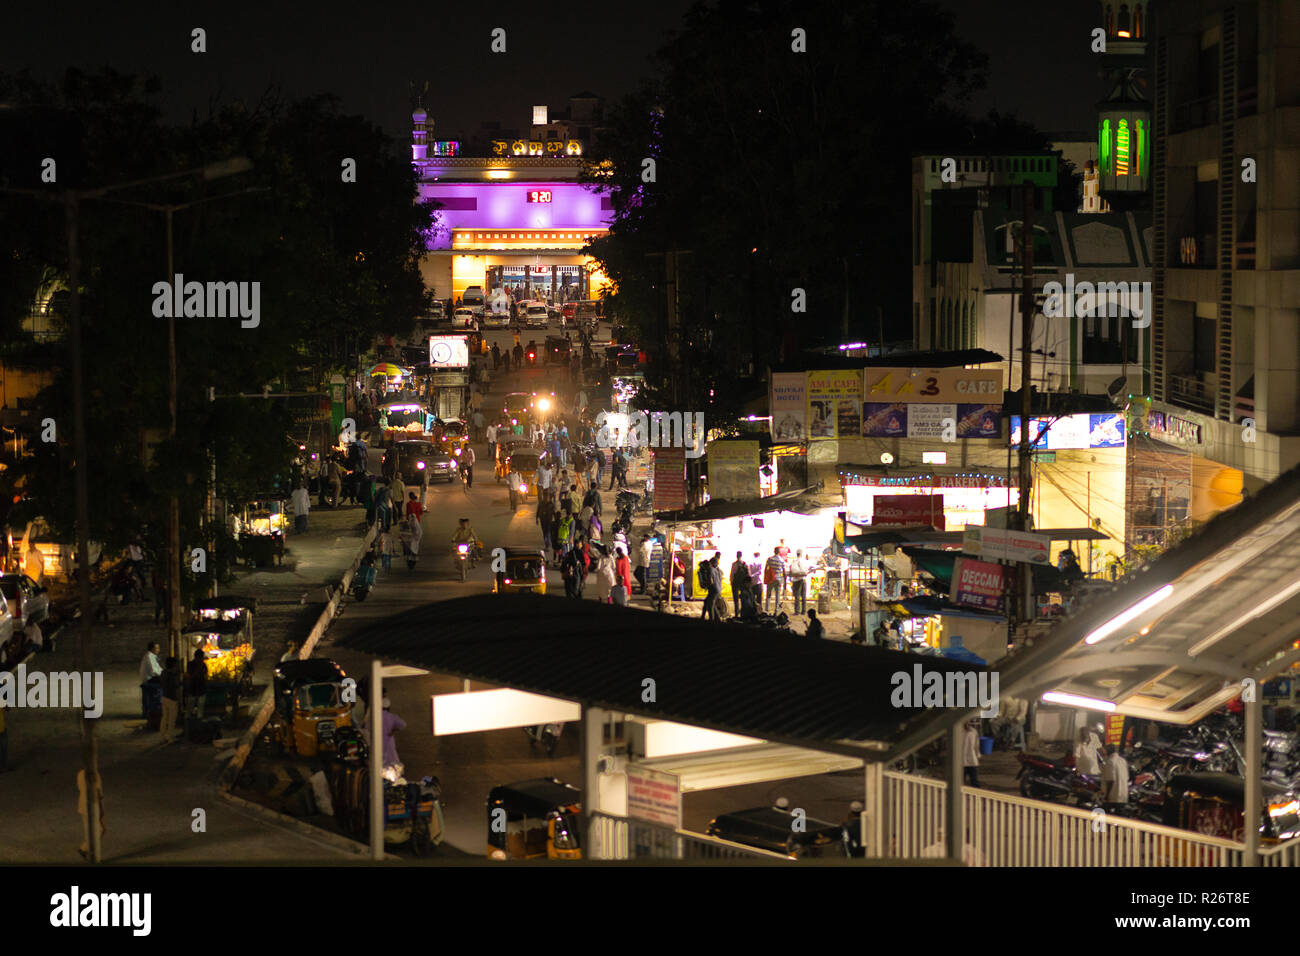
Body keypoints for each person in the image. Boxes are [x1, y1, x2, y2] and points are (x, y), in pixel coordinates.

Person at [138, 642, 163, 721]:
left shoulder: (151, 656)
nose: (159, 650)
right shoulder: (149, 657)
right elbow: (154, 671)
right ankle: (155, 710)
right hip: (149, 679)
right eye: (157, 648)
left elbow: (158, 669)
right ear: (152, 649)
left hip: (150, 678)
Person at [159, 656, 182, 742]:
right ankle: (170, 736)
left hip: (164, 697)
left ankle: (163, 734)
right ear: (173, 666)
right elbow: (176, 685)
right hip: (172, 698)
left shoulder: (163, 673)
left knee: (165, 717)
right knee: (172, 719)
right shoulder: (171, 675)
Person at [381, 697, 406, 769]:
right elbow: (403, 724)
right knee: (391, 760)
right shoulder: (392, 717)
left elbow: (366, 727)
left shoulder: (375, 716)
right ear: (389, 707)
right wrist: (394, 729)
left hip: (378, 742)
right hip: (389, 742)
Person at [186, 649, 208, 717]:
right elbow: (191, 676)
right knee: (190, 707)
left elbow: (205, 674)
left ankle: (199, 721)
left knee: (200, 707)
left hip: (201, 688)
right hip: (193, 688)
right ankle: (188, 721)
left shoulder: (203, 665)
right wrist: (199, 668)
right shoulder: (190, 664)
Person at [764, 548, 786, 613]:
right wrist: (784, 579)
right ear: (779, 552)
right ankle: (776, 610)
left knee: (768, 594)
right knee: (777, 595)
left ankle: (767, 609)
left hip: (771, 578)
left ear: (774, 551)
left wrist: (766, 577)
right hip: (778, 579)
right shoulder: (782, 560)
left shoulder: (770, 559)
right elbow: (784, 571)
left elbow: (765, 569)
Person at [729, 551, 750, 618]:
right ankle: (743, 613)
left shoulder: (734, 564)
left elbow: (732, 574)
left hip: (735, 583)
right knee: (743, 599)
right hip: (743, 584)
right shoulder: (745, 564)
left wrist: (731, 582)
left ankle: (736, 613)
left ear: (736, 556)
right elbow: (749, 574)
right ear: (741, 555)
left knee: (736, 599)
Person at [788, 549, 809, 614]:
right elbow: (807, 569)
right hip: (803, 579)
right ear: (802, 554)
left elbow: (792, 571)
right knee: (803, 596)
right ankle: (803, 611)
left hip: (796, 580)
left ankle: (797, 611)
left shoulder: (794, 561)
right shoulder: (804, 561)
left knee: (797, 596)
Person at [962, 720, 981, 787]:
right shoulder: (957, 731)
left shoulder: (973, 732)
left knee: (974, 781)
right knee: (960, 782)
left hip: (972, 760)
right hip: (961, 761)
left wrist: (977, 755)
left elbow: (976, 745)